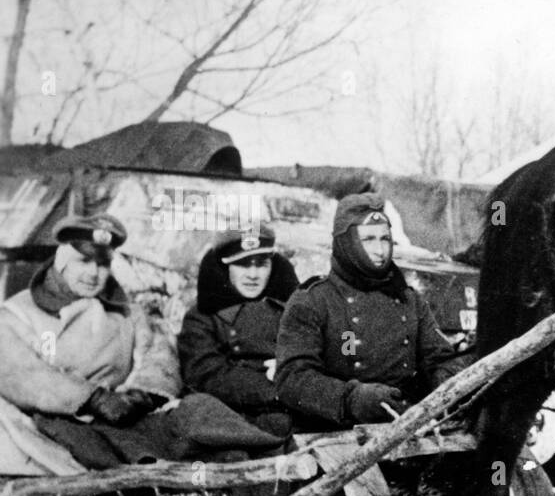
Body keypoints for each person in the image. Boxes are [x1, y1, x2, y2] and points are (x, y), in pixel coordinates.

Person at [0, 214, 180, 475]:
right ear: (62, 262)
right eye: (83, 260)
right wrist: (91, 398)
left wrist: (142, 395)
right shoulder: (18, 313)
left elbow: (159, 357)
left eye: (103, 263)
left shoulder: (130, 314)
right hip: (45, 426)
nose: (93, 273)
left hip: (123, 419)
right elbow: (19, 372)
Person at [275, 192, 462, 429]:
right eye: (368, 239)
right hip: (334, 429)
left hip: (404, 422)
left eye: (385, 239)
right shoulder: (313, 300)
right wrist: (352, 399)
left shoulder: (408, 299)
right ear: (346, 243)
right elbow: (292, 379)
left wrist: (444, 379)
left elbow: (439, 357)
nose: (380, 250)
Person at [179, 226, 299, 438]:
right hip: (235, 418)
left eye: (261, 265)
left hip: (296, 413)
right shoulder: (203, 315)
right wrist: (280, 390)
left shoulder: (295, 309)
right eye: (242, 264)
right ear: (225, 267)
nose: (253, 275)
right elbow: (206, 375)